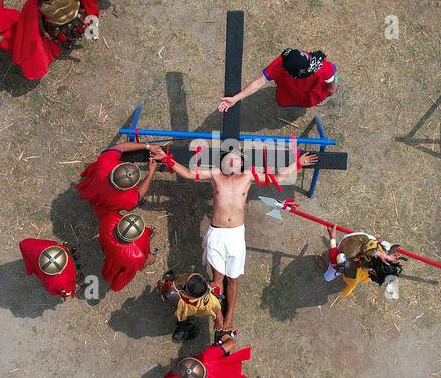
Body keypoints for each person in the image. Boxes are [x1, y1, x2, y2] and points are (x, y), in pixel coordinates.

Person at [151, 145, 316, 337]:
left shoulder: (247, 177)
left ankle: (229, 317)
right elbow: (187, 173)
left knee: (233, 280)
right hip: (217, 234)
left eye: (236, 158)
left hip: (236, 235)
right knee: (217, 280)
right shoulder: (214, 175)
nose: (231, 160)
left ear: (243, 164)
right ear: (220, 163)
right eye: (227, 158)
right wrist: (166, 159)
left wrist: (299, 163)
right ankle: (218, 316)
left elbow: (278, 177)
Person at [5, 0, 99, 79]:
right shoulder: (36, 5)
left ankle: (83, 35)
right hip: (58, 25)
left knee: (79, 30)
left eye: (52, 0)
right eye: (47, 3)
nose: (51, 3)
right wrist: (44, 31)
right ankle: (68, 42)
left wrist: (87, 9)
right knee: (64, 37)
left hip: (76, 16)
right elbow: (38, 19)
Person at [218, 48, 337, 111]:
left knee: (290, 99)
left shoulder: (282, 64)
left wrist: (236, 98)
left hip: (294, 93)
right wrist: (235, 98)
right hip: (306, 94)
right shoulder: (322, 67)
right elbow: (331, 87)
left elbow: (260, 82)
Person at [75, 140, 164, 216]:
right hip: (106, 203)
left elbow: (120, 147)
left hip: (95, 184)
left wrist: (148, 146)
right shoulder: (127, 199)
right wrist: (151, 172)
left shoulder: (105, 161)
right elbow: (139, 195)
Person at [324, 231, 404, 299]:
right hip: (348, 246)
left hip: (363, 237)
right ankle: (325, 262)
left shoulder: (386, 249)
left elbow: (380, 241)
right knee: (328, 277)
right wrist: (332, 238)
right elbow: (334, 261)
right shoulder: (349, 263)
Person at [157, 269, 223, 342]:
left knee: (182, 316)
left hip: (192, 309)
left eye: (183, 285)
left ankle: (186, 328)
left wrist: (219, 319)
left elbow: (217, 308)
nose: (185, 275)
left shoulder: (210, 301)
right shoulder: (208, 294)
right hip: (192, 307)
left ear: (186, 293)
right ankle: (183, 323)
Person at [98, 211, 155, 291]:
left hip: (108, 251)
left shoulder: (109, 220)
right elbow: (127, 274)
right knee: (118, 273)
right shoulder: (136, 255)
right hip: (122, 262)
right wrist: (151, 259)